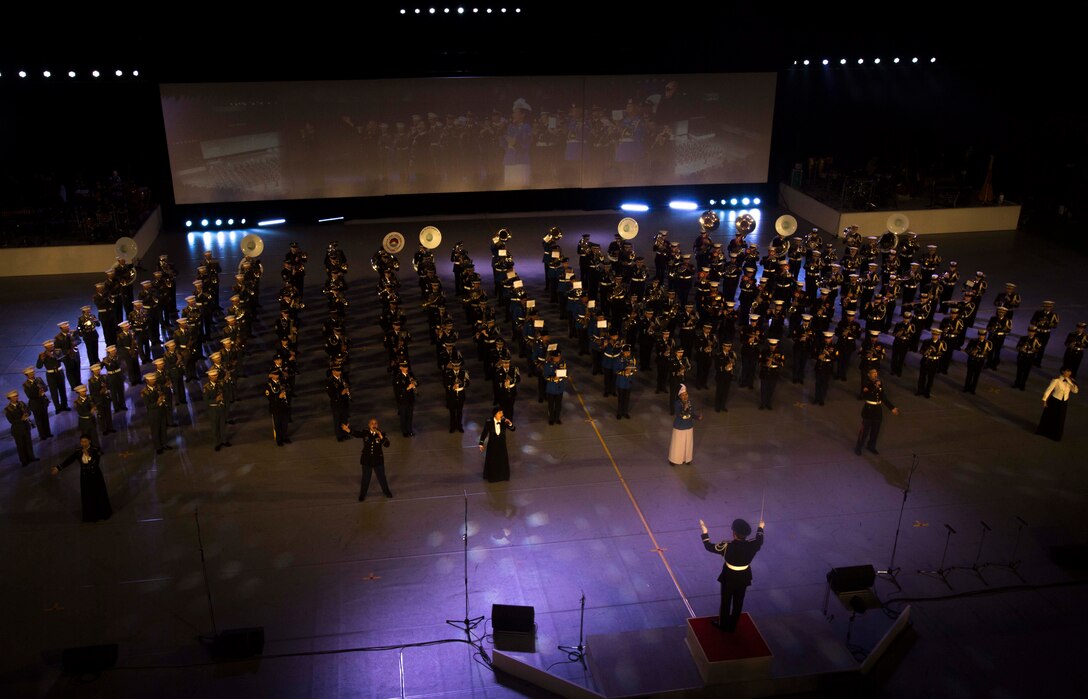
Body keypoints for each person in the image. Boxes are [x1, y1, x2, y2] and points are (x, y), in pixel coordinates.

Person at [699, 517, 765, 632]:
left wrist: (705, 533)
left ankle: (723, 624)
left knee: (726, 601)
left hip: (729, 576)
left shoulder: (727, 545)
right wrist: (760, 528)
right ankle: (733, 625)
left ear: (734, 533)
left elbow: (708, 547)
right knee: (738, 602)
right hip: (744, 576)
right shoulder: (753, 544)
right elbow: (760, 539)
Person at [52, 435, 112, 522]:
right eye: (82, 442)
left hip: (95, 476)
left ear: (89, 441)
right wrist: (58, 468)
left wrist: (88, 455)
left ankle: (102, 514)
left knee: (98, 494)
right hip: (85, 476)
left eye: (85, 441)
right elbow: (70, 459)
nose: (83, 443)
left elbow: (95, 463)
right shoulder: (78, 451)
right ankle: (91, 516)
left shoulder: (96, 450)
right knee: (87, 495)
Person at [341, 418, 393, 500]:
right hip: (366, 460)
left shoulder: (382, 433)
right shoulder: (365, 433)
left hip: (378, 460)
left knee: (382, 478)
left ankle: (387, 492)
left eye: (375, 423)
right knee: (365, 478)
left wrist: (381, 436)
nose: (374, 425)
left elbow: (387, 445)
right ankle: (362, 494)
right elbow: (356, 434)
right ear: (369, 425)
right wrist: (348, 430)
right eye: (372, 423)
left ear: (377, 425)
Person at [857, 368, 900, 455]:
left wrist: (892, 408)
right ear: (869, 374)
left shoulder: (879, 383)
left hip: (877, 410)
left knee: (875, 430)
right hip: (868, 410)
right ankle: (858, 447)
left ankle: (871, 446)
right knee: (864, 431)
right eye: (873, 373)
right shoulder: (866, 383)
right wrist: (875, 387)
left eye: (876, 372)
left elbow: (883, 397)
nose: (875, 374)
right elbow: (865, 395)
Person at [1037, 367, 1079, 441]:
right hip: (1054, 401)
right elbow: (1049, 390)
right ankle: (1045, 432)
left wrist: (1072, 383)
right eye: (1067, 371)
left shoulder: (1070, 381)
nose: (1069, 373)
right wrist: (1044, 400)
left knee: (1060, 419)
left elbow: (1075, 391)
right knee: (1050, 417)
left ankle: (1056, 435)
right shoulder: (1056, 380)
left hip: (1064, 402)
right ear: (1063, 371)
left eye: (1070, 371)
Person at [478, 407, 515, 483]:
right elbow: (484, 432)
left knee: (502, 459)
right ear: (495, 414)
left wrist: (510, 423)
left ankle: (502, 476)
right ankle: (493, 477)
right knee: (493, 460)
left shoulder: (504, 422)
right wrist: (481, 443)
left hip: (501, 445)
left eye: (502, 413)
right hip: (492, 445)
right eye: (500, 413)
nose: (502, 414)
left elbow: (513, 429)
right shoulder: (489, 422)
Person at [669, 385, 701, 466]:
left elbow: (691, 414)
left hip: (689, 426)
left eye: (686, 394)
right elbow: (679, 414)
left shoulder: (690, 402)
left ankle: (686, 459)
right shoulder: (677, 403)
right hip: (679, 427)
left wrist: (697, 417)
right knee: (678, 444)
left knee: (687, 444)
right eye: (683, 395)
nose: (685, 396)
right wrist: (685, 408)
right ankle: (674, 459)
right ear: (680, 396)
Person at [5, 390, 39, 466]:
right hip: (17, 429)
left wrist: (27, 413)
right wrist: (21, 419)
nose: (17, 397)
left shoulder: (21, 403)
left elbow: (29, 411)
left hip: (26, 426)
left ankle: (31, 457)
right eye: (14, 396)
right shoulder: (7, 409)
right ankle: (24, 460)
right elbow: (11, 421)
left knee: (28, 442)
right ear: (9, 398)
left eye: (17, 396)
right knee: (20, 445)